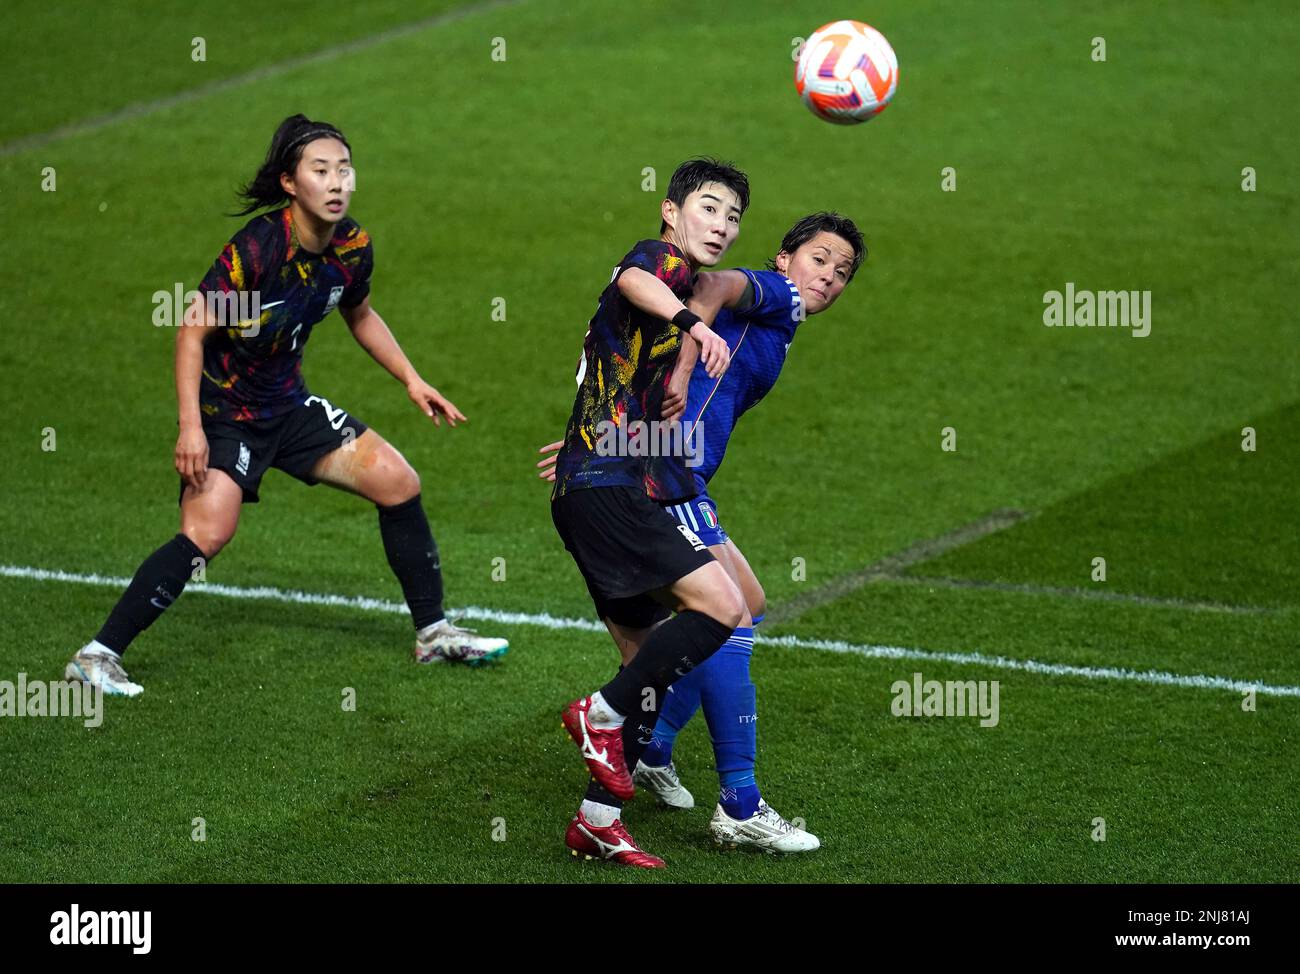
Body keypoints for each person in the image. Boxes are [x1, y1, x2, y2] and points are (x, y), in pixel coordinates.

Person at [65, 113, 507, 697]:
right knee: (207, 534)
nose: (336, 183)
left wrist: (411, 379)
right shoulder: (257, 250)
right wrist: (191, 428)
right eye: (320, 171)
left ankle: (431, 633)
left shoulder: (351, 245)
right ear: (290, 183)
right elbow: (190, 332)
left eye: (344, 170)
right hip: (228, 414)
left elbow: (361, 314)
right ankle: (97, 657)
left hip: (289, 408)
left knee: (398, 481)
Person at [540, 212, 865, 854]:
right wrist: (683, 374)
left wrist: (606, 438)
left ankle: (651, 750)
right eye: (819, 259)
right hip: (666, 478)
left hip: (662, 466)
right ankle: (739, 802)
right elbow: (710, 288)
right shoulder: (777, 294)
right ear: (783, 259)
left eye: (842, 271)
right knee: (732, 615)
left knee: (746, 604)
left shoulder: (782, 321)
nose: (827, 277)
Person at [550, 158, 749, 868]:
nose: (721, 225)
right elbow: (628, 279)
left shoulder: (679, 291)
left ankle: (598, 821)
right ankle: (596, 715)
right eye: (709, 208)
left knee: (646, 659)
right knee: (723, 607)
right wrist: (695, 325)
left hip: (597, 480)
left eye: (732, 217)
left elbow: (618, 389)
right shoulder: (658, 262)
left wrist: (614, 428)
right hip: (606, 489)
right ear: (671, 212)